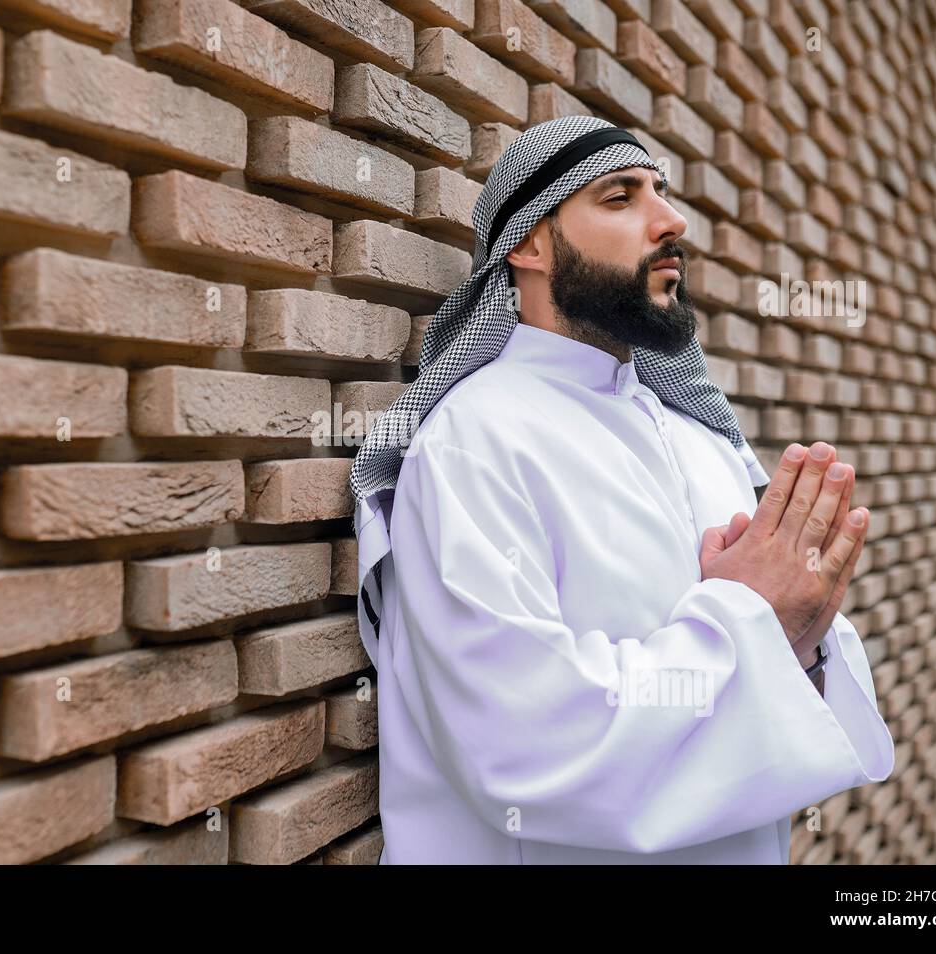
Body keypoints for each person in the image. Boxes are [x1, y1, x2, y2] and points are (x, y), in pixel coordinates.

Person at [347, 115, 894, 864]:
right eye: (620, 197)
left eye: (662, 193)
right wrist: (749, 618)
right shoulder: (474, 440)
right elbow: (523, 749)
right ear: (530, 246)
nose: (671, 222)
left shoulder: (705, 443)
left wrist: (804, 637)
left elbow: (795, 691)